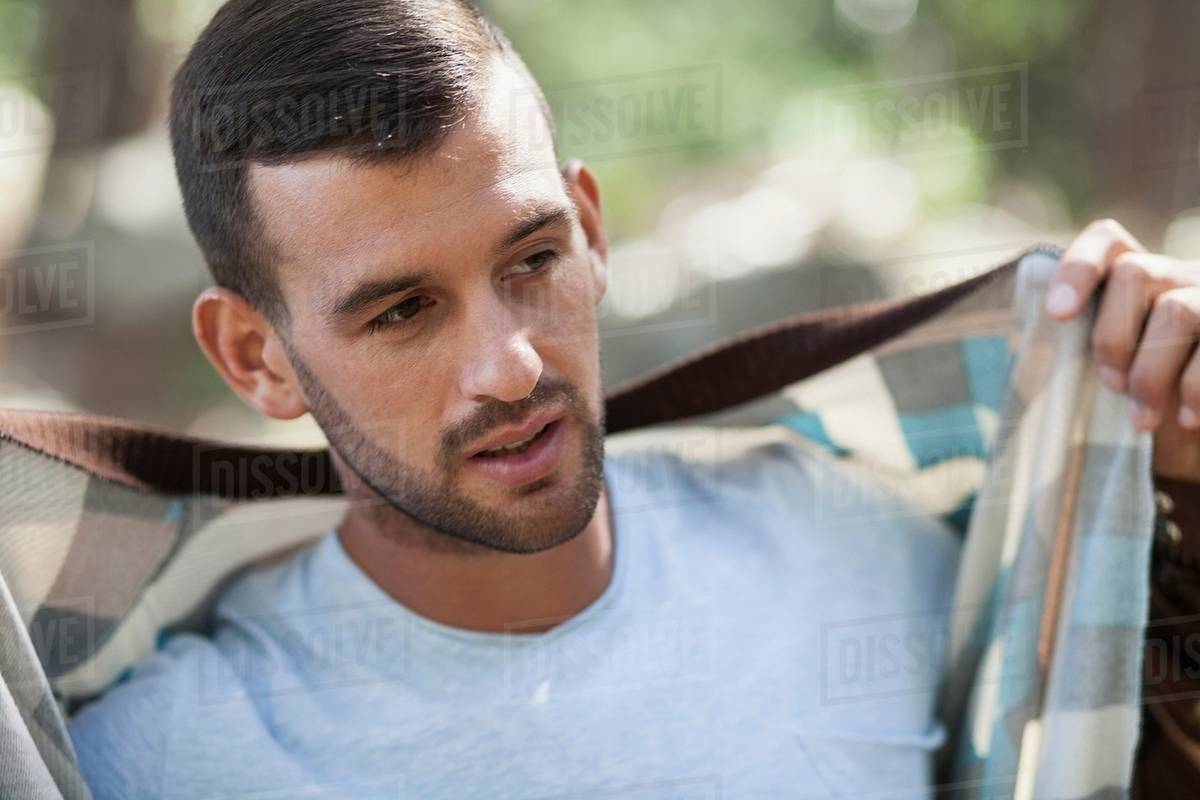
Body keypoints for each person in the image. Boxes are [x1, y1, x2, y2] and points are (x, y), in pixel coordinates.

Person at [64, 1, 1200, 797]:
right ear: (255, 357)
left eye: (532, 259)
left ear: (592, 231)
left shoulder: (850, 549)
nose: (513, 367)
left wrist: (1181, 460)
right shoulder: (157, 762)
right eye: (402, 312)